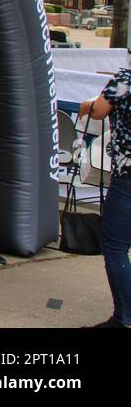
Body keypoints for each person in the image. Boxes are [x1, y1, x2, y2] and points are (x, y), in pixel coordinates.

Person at [78, 68, 130, 328]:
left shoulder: (125, 80)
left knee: (116, 247)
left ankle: (125, 317)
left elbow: (98, 111)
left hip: (128, 178)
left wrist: (87, 105)